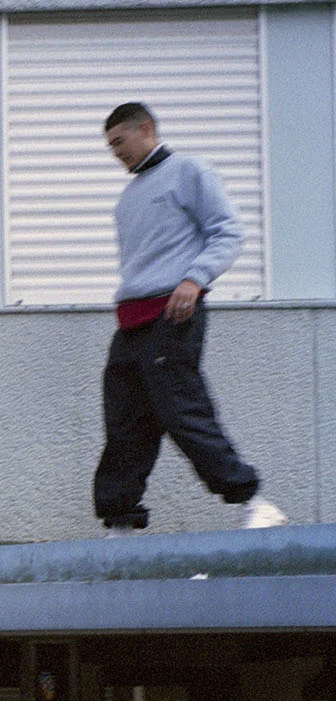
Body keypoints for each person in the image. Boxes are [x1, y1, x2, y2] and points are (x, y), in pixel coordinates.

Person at [94, 102, 285, 534]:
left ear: (146, 128)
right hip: (130, 323)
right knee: (125, 422)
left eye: (120, 142)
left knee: (183, 412)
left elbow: (228, 231)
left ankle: (254, 504)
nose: (116, 153)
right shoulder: (127, 199)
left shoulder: (189, 171)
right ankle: (121, 525)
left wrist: (195, 279)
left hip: (171, 316)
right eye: (110, 147)